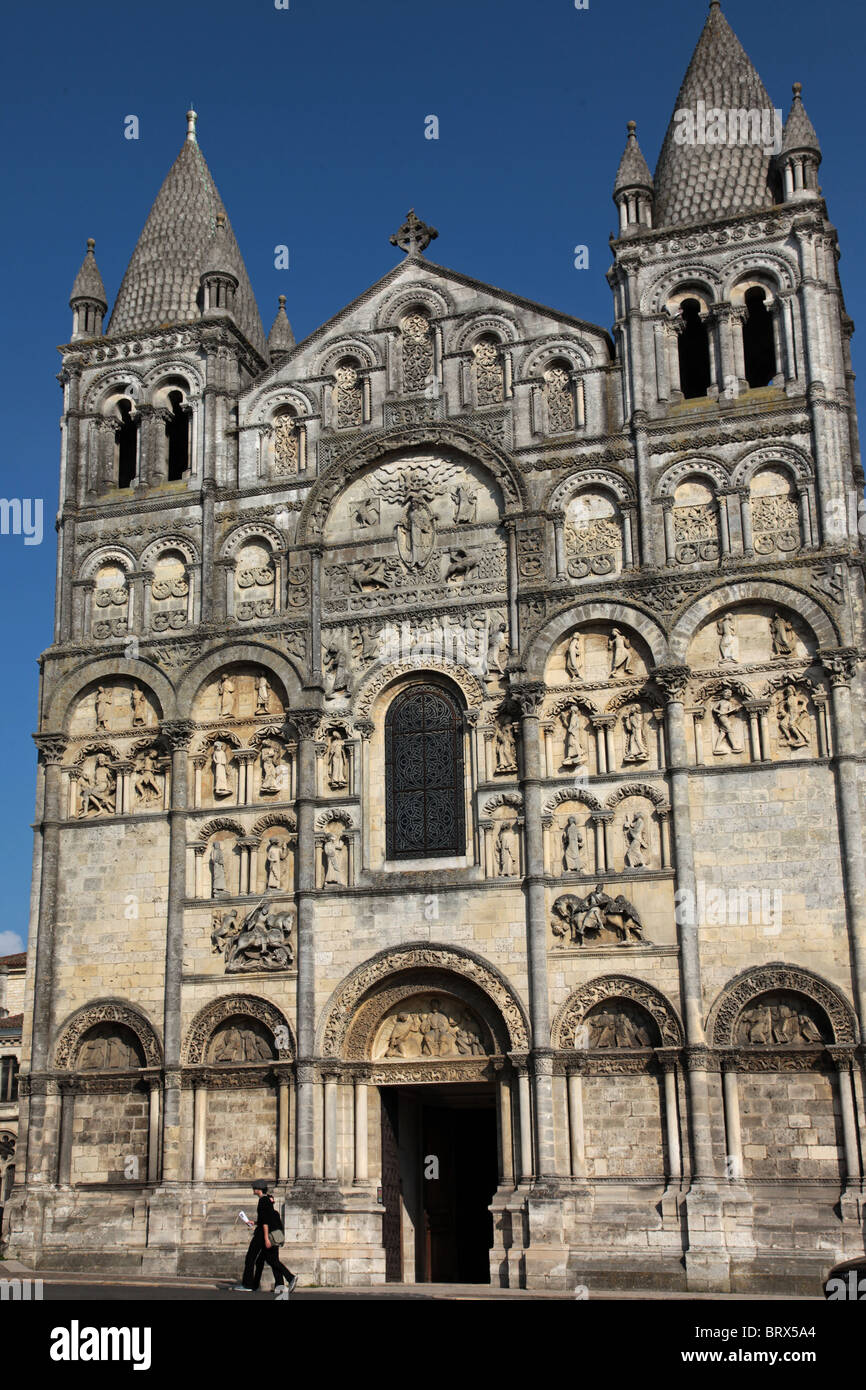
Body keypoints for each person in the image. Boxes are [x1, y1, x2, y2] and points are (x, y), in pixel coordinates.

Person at [233, 1182, 297, 1296]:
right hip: (265, 1232)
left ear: (259, 1189)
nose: (253, 1189)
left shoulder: (262, 1201)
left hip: (262, 1234)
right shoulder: (268, 1200)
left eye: (254, 1188)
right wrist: (255, 1222)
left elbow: (266, 1222)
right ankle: (280, 1285)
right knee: (269, 1260)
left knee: (251, 1257)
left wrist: (266, 1238)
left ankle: (248, 1284)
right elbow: (266, 1218)